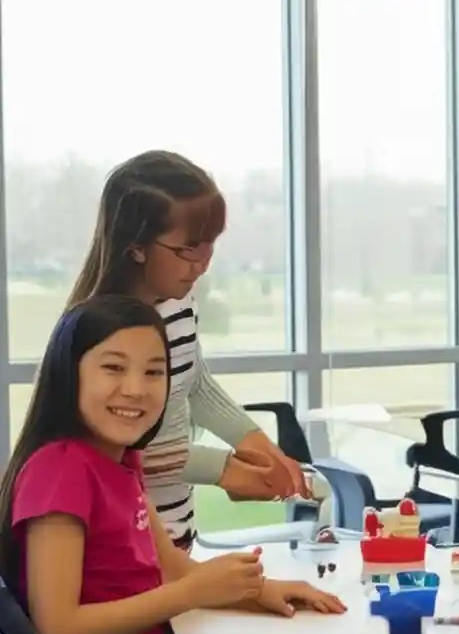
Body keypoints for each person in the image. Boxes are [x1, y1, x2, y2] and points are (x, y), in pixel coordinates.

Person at [0, 295, 345, 634]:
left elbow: (171, 568)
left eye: (153, 372)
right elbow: (58, 633)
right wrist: (192, 593)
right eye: (113, 368)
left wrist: (260, 591)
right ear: (69, 375)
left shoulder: (122, 459)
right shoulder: (60, 470)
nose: (135, 389)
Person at [66, 150, 308, 550]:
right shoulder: (101, 330)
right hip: (121, 546)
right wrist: (224, 469)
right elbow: (122, 446)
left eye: (210, 246)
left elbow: (194, 381)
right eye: (188, 249)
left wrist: (253, 442)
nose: (202, 264)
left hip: (176, 534)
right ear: (137, 246)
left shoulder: (179, 305)